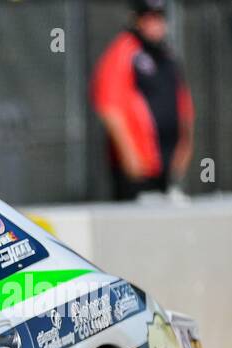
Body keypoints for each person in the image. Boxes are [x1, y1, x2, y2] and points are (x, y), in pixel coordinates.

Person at [91, 0, 195, 199]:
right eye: (148, 17)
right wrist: (129, 154)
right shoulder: (123, 51)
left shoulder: (167, 55)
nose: (154, 23)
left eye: (158, 17)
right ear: (136, 19)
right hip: (137, 169)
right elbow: (109, 106)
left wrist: (185, 146)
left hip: (166, 165)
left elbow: (183, 104)